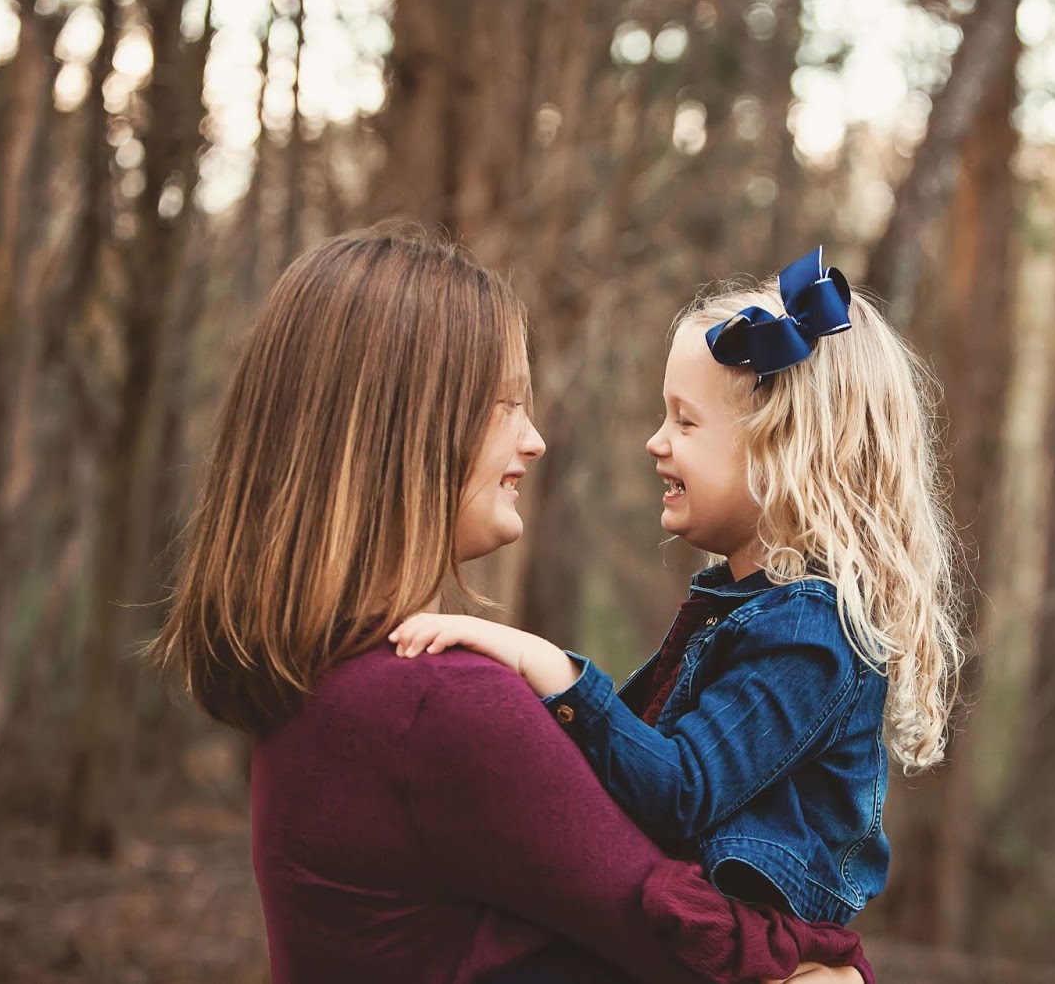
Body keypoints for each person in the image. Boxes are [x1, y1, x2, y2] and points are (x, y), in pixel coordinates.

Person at [147, 225, 871, 983]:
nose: (534, 441)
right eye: (506, 404)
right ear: (408, 427)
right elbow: (686, 939)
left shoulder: (333, 683)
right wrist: (835, 963)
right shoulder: (436, 706)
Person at [391, 246, 965, 927]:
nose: (656, 443)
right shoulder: (737, 609)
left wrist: (538, 663)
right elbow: (622, 759)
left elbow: (679, 791)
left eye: (685, 422)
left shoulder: (812, 631)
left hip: (750, 944)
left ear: (783, 450)